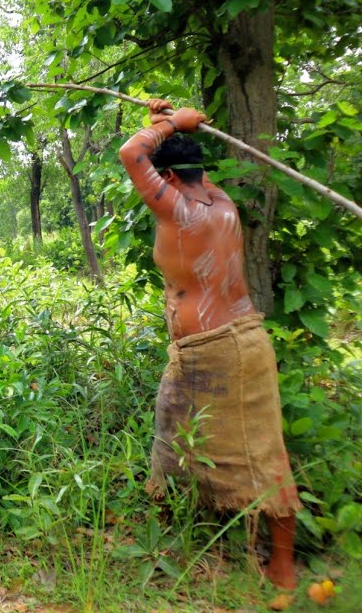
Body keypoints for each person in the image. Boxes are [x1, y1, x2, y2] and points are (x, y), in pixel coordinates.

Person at [119, 99, 302, 590]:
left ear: (170, 180)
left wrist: (168, 126)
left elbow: (131, 153)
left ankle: (281, 567)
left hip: (226, 350)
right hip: (214, 351)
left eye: (159, 180)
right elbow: (156, 155)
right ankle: (174, 542)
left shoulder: (179, 209)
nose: (150, 190)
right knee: (173, 443)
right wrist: (165, 123)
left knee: (262, 456)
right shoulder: (220, 202)